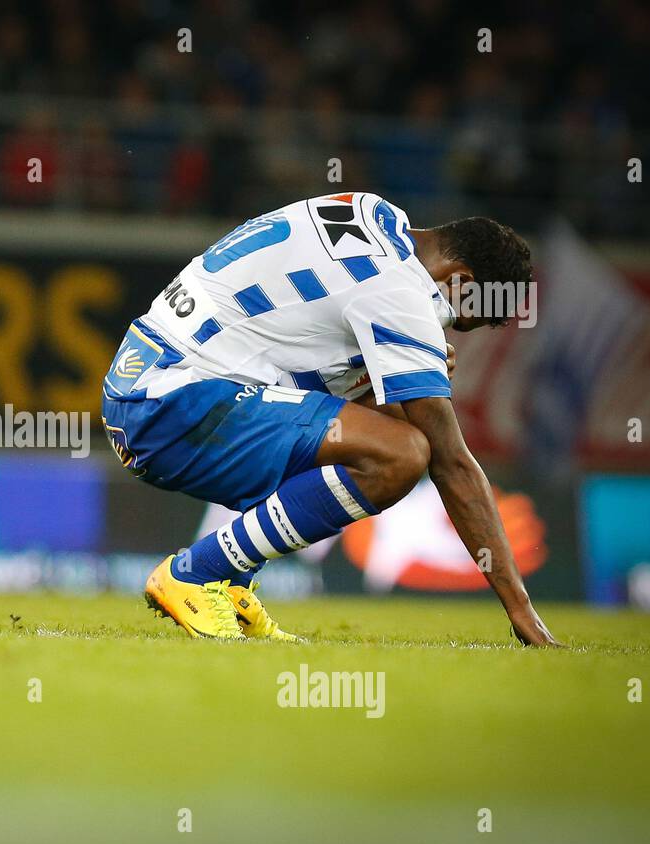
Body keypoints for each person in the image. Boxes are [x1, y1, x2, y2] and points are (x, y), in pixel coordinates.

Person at [102, 190, 561, 647]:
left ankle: (229, 583)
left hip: (147, 385)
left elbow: (295, 339)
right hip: (172, 403)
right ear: (460, 280)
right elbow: (450, 462)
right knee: (402, 453)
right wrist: (521, 609)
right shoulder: (400, 291)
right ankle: (195, 574)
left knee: (382, 417)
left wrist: (383, 371)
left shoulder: (370, 210)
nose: (447, 327)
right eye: (462, 317)